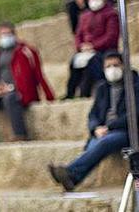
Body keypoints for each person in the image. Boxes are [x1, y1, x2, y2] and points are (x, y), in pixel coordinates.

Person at [49, 52, 139, 191]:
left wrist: (109, 127)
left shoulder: (135, 86)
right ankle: (72, 178)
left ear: (124, 66)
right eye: (108, 66)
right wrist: (95, 128)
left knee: (104, 141)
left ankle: (71, 172)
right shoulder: (102, 87)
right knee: (94, 143)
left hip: (125, 131)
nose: (112, 69)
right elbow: (93, 114)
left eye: (116, 65)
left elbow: (133, 115)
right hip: (103, 131)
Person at [0, 22, 54, 142]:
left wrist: (49, 96)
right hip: (1, 92)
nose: (5, 37)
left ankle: (20, 134)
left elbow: (38, 74)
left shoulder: (26, 51)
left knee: (10, 98)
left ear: (14, 34)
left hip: (20, 92)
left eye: (8, 34)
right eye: (2, 34)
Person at [67, 0, 119, 99]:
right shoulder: (84, 16)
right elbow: (78, 35)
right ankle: (70, 93)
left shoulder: (111, 14)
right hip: (86, 50)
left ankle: (85, 93)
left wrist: (93, 46)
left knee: (92, 63)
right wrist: (81, 46)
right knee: (74, 62)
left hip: (104, 50)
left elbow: (111, 36)